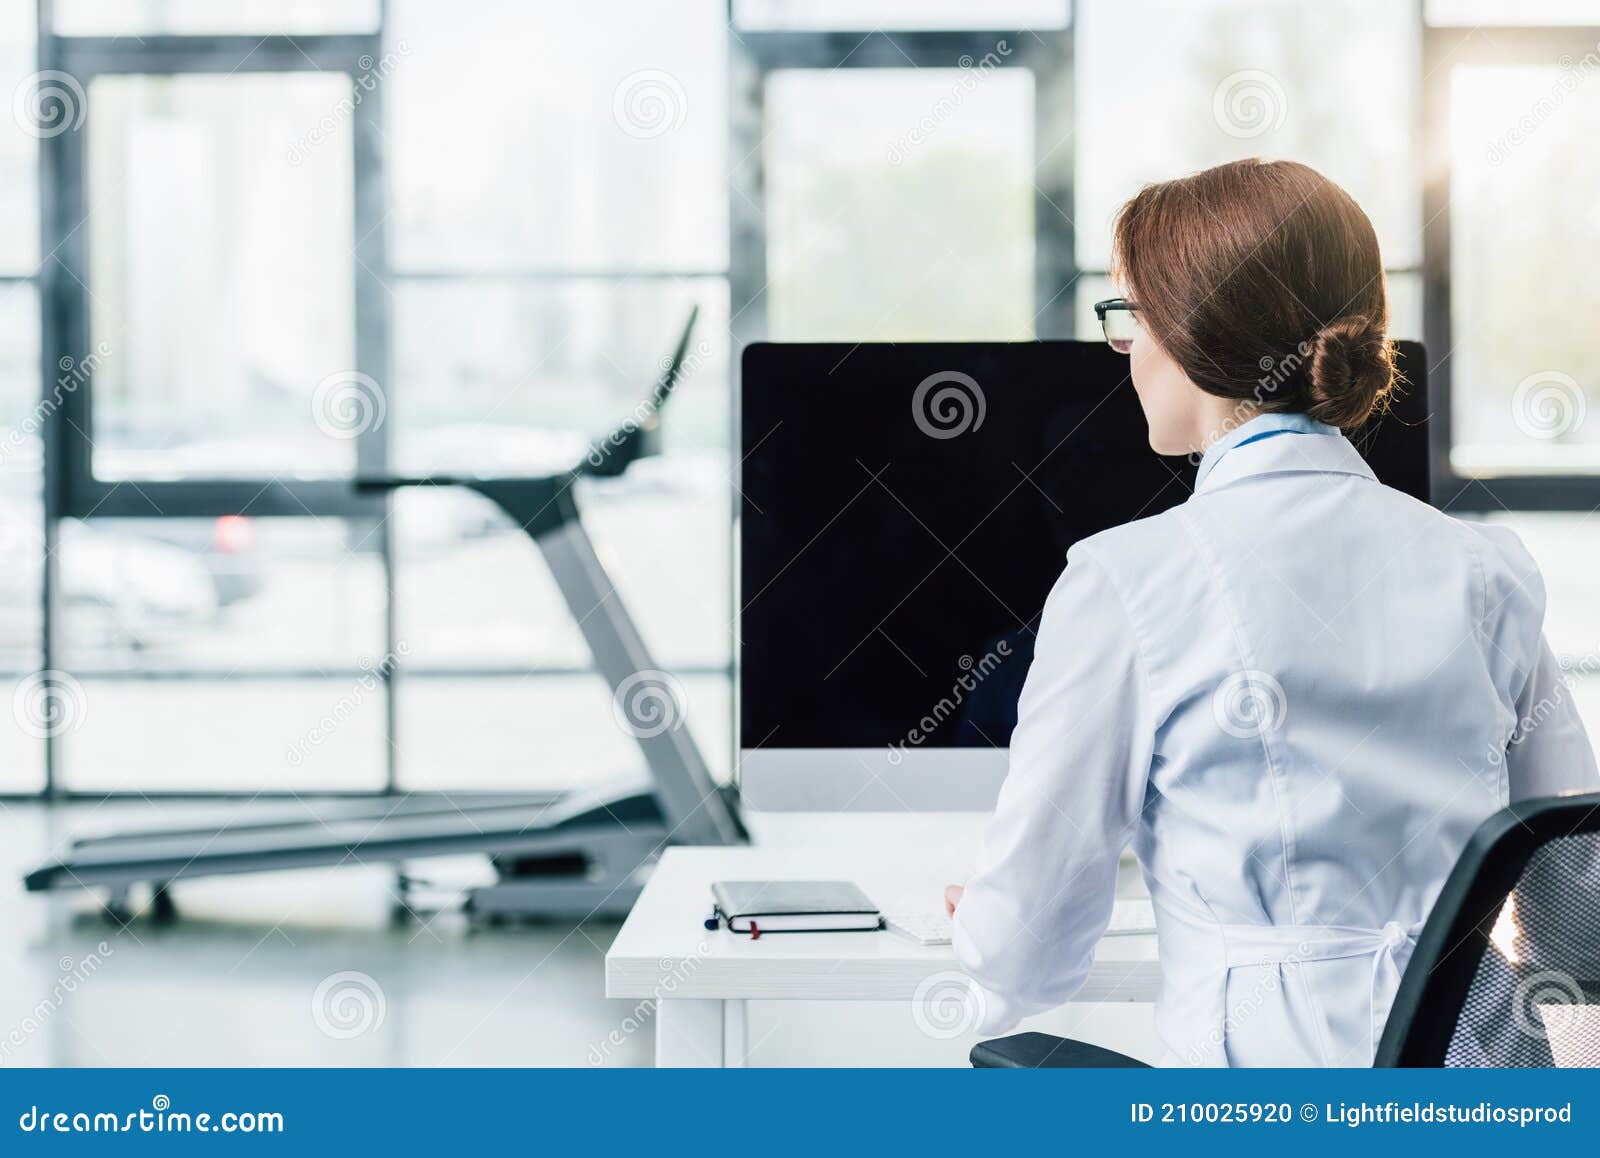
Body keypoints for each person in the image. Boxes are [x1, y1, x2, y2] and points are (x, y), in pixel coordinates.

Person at [945, 158, 1599, 1066]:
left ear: (1190, 332)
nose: (1124, 347)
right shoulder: (1489, 569)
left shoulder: (1127, 579)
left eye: (1129, 315)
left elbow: (1021, 956)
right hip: (1496, 1087)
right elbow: (1577, 927)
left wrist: (984, 917)